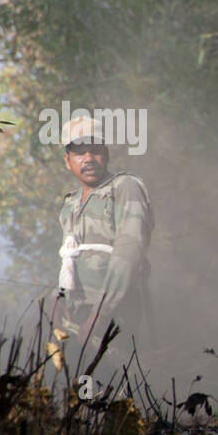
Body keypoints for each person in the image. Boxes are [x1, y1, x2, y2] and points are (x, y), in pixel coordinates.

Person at [55, 115, 155, 380]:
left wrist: (102, 312)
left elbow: (129, 248)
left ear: (106, 153)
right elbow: (69, 258)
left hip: (115, 310)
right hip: (77, 314)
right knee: (76, 389)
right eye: (79, 151)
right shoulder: (70, 204)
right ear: (67, 160)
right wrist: (60, 301)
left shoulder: (124, 187)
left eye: (95, 149)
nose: (88, 157)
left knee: (115, 384)